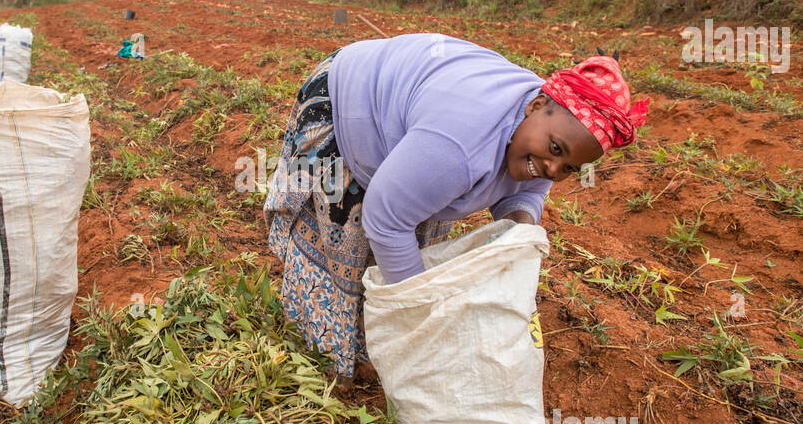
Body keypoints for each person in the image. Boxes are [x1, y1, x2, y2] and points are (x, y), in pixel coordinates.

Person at [264, 32, 648, 380]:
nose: (552, 168)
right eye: (555, 150)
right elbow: (384, 218)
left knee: (417, 233)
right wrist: (423, 312)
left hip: (424, 134)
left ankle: (373, 342)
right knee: (344, 240)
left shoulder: (549, 129)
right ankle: (316, 362)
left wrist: (514, 234)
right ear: (537, 105)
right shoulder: (459, 146)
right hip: (348, 99)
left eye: (569, 168)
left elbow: (526, 192)